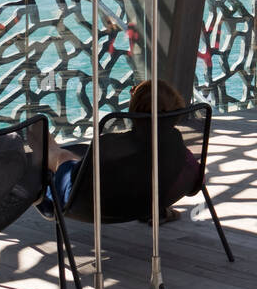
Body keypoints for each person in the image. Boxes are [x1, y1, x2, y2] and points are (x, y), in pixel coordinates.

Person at [40, 78, 196, 222]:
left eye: (133, 92)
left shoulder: (111, 145)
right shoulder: (173, 143)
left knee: (55, 149)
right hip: (140, 200)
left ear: (134, 108)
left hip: (85, 202)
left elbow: (82, 180)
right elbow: (194, 178)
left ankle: (35, 178)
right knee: (70, 155)